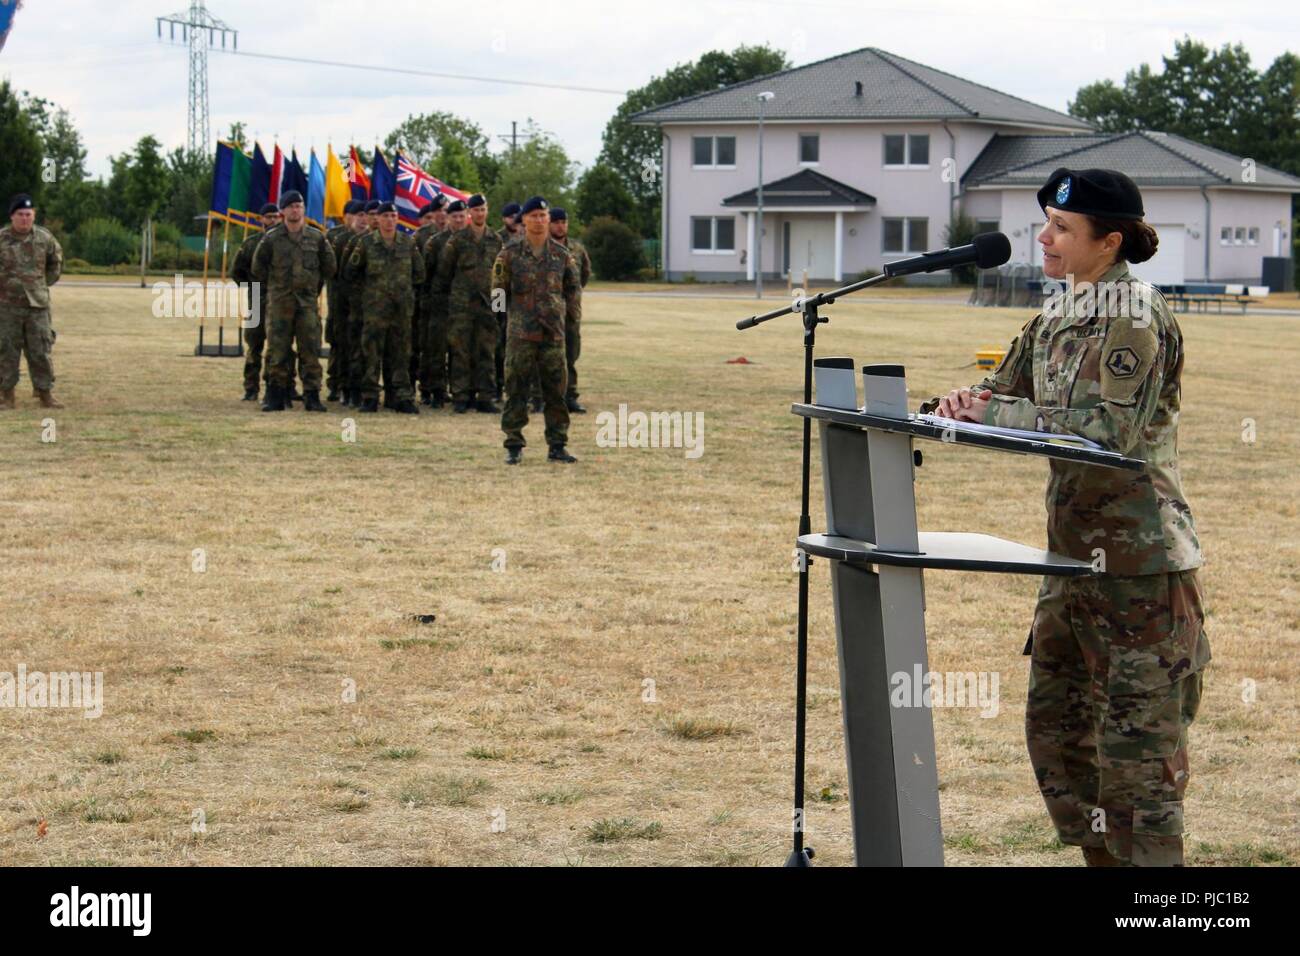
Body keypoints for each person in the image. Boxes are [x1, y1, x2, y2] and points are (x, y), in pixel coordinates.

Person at [920, 167, 1208, 867]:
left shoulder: (1133, 316)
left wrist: (999, 410)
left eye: (1061, 229)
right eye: (1046, 222)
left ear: (1109, 242)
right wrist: (958, 404)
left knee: (1136, 768)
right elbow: (1004, 389)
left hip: (1140, 575)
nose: (1044, 238)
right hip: (1072, 565)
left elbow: (1108, 432)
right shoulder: (1059, 309)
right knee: (1061, 744)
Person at [491, 195, 580, 465]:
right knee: (516, 388)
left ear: (549, 219)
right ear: (525, 221)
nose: (539, 221)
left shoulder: (563, 256)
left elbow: (572, 291)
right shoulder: (509, 254)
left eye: (543, 216)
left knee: (556, 392)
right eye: (534, 216)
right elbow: (497, 290)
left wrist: (570, 320)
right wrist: (503, 321)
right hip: (520, 334)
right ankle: (514, 445)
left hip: (553, 334)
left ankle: (557, 444)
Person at [251, 190, 336, 412]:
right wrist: (275, 289)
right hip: (280, 304)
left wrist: (312, 288)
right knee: (278, 351)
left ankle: (312, 395)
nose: (295, 210)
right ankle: (275, 394)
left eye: (299, 206)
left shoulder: (316, 238)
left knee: (310, 350)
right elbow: (258, 268)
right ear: (283, 211)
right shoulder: (271, 239)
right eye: (291, 206)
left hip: (306, 305)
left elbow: (329, 267)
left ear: (303, 210)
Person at [345, 201, 424, 414]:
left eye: (393, 216)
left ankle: (400, 396)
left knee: (400, 353)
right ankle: (370, 396)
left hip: (401, 310)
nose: (389, 220)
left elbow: (419, 274)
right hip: (374, 309)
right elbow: (352, 273)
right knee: (371, 353)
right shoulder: (367, 243)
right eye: (385, 216)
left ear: (397, 219)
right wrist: (366, 297)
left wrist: (404, 293)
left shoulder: (407, 243)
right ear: (377, 219)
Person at [437, 193, 502, 414]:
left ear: (487, 211)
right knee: (460, 350)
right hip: (461, 305)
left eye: (483, 209)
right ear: (469, 213)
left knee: (486, 351)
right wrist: (452, 302)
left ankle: (485, 396)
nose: (480, 213)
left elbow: (502, 277)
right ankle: (461, 396)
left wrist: (499, 308)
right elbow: (444, 273)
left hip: (488, 305)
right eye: (476, 210)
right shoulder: (457, 240)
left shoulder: (496, 240)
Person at [0, 193, 63, 410]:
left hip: (37, 306)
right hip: (6, 306)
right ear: (12, 217)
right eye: (20, 214)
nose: (25, 218)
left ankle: (45, 393)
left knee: (41, 349)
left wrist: (40, 285)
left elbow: (55, 265)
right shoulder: (1, 239)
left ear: (33, 215)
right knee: (6, 350)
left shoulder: (45, 239)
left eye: (28, 214)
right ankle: (7, 396)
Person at [231, 202, 282, 402]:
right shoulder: (251, 243)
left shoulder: (284, 242)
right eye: (268, 217)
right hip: (256, 299)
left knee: (278, 345)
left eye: (275, 217)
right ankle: (251, 388)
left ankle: (276, 385)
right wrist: (252, 287)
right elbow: (237, 271)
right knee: (254, 345)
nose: (272, 220)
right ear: (260, 219)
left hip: (279, 300)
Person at [421, 198, 465, 408]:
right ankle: (436, 391)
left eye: (461, 215)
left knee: (462, 351)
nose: (458, 219)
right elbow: (425, 276)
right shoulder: (435, 242)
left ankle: (461, 393)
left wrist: (498, 307)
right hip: (440, 304)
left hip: (467, 306)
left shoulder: (472, 240)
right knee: (436, 350)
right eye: (453, 215)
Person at [548, 207, 591, 413]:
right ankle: (545, 396)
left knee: (570, 354)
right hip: (545, 313)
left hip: (570, 313)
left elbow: (583, 276)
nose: (560, 225)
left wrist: (571, 298)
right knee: (545, 356)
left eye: (563, 222)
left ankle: (570, 396)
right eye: (556, 222)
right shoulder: (540, 247)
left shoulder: (576, 248)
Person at [340, 200, 379, 406]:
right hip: (259, 294)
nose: (368, 218)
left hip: (376, 307)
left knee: (371, 349)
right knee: (256, 339)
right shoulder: (258, 242)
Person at [325, 200, 362, 403]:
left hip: (358, 301)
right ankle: (335, 384)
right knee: (338, 342)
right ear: (345, 215)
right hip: (338, 298)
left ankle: (352, 385)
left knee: (355, 344)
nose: (359, 218)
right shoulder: (334, 236)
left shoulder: (366, 238)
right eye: (355, 214)